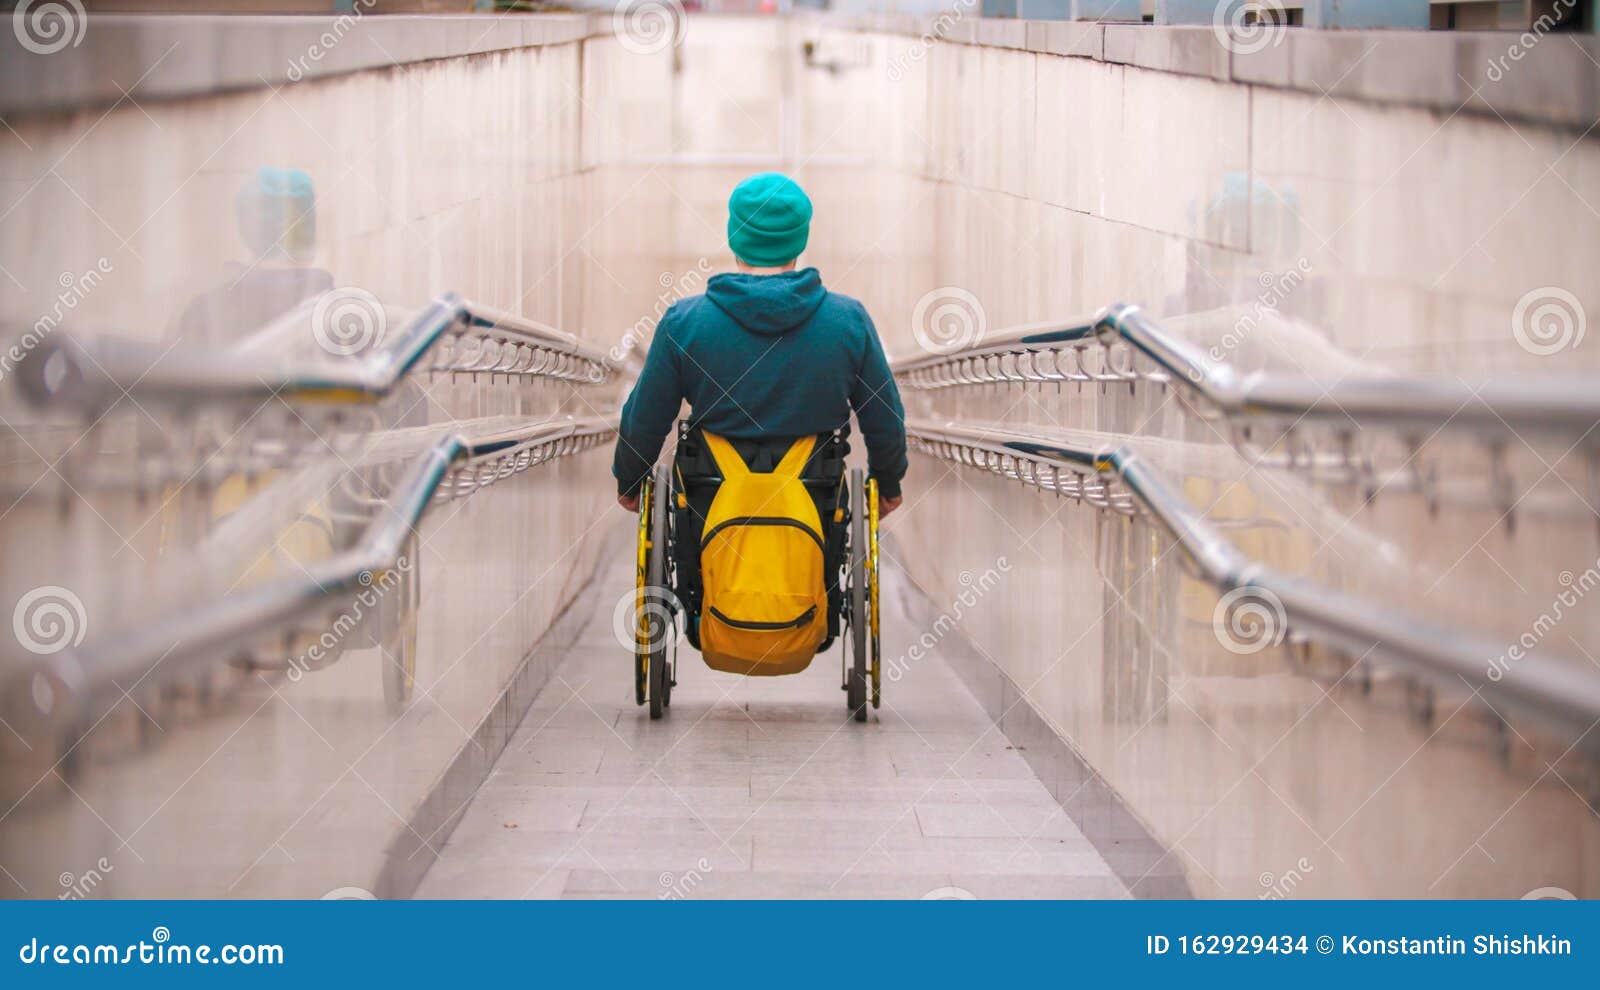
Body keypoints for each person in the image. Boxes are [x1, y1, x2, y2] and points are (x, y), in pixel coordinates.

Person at [612, 172, 907, 517]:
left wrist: (630, 481)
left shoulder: (685, 321)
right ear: (799, 240)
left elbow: (646, 414)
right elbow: (884, 415)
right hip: (815, 512)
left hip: (710, 514)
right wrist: (888, 484)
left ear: (735, 237)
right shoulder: (848, 321)